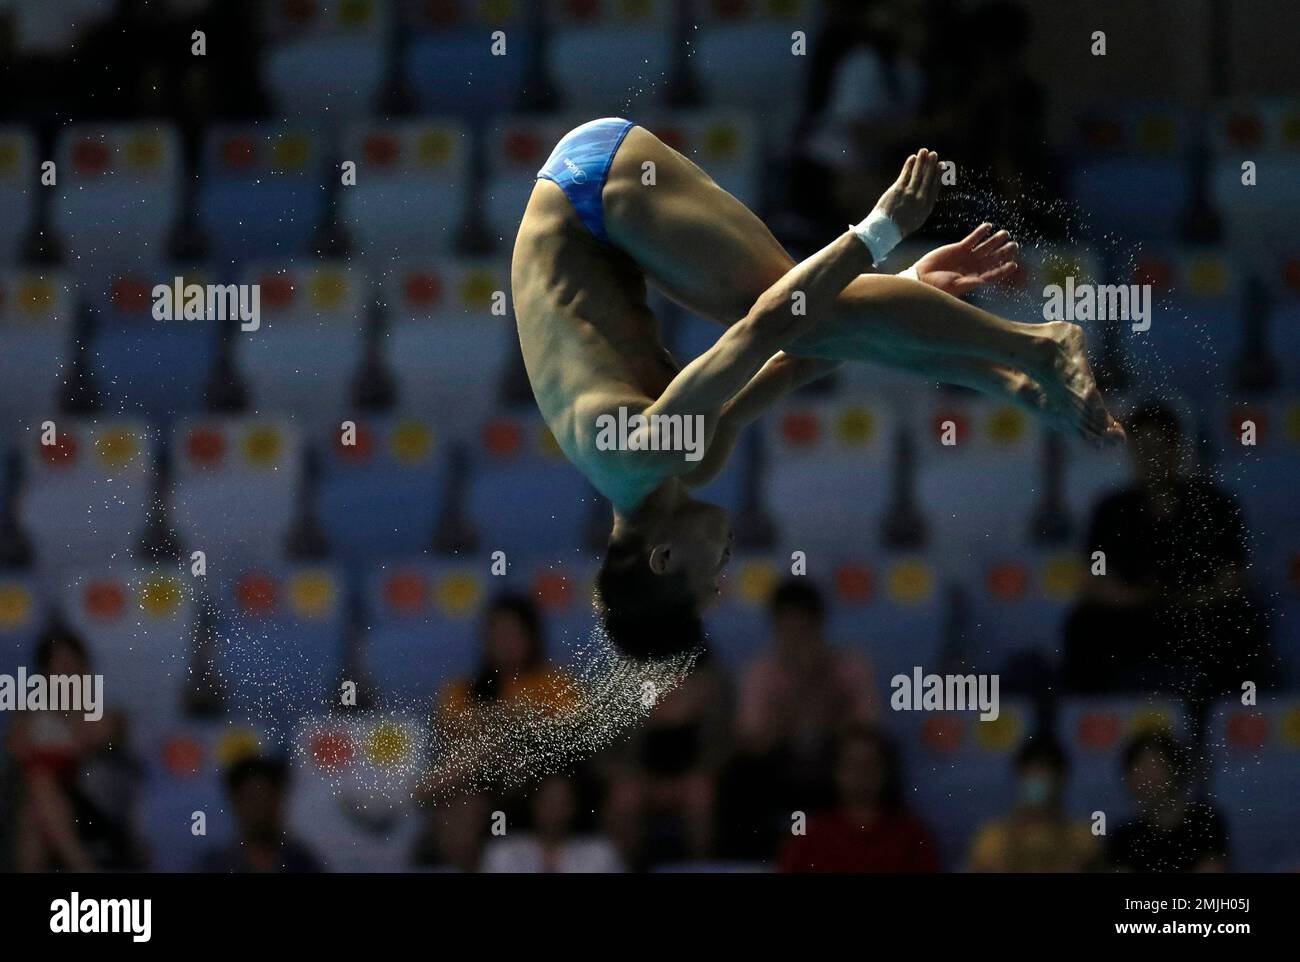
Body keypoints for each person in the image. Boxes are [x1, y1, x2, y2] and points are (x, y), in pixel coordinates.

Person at [511, 118, 1124, 661]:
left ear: (663, 559)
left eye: (708, 589)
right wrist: (913, 286)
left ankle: (1040, 346)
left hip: (587, 190)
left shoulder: (634, 453)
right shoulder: (687, 466)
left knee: (793, 309)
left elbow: (767, 324)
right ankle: (1020, 369)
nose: (725, 579)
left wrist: (882, 229)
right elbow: (796, 360)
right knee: (814, 328)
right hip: (601, 222)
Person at [1061, 400, 1271, 700]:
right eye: (1141, 448)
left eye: (1158, 447)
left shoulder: (1215, 505)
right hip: (1133, 617)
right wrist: (1138, 598)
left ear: (1176, 450)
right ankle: (1097, 717)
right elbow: (1093, 581)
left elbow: (1233, 579)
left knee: (1238, 622)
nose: (1150, 457)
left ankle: (1223, 717)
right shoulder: (1111, 510)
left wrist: (1190, 599)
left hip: (1198, 614)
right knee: (1085, 626)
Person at [6, 626, 141, 872]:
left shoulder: (104, 716)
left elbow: (99, 744)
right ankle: (82, 865)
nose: (66, 676)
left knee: (39, 791)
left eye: (71, 667)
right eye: (58, 668)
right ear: (45, 675)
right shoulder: (28, 719)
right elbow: (16, 754)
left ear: (85, 669)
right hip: (44, 806)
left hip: (91, 805)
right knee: (34, 811)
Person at [778, 724, 939, 873]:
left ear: (886, 771)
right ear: (835, 771)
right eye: (851, 765)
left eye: (870, 764)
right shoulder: (811, 834)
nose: (861, 774)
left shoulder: (910, 834)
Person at [967, 736, 1100, 872]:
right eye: (1030, 772)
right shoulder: (992, 839)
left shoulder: (1082, 839)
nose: (1036, 779)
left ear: (1062, 778)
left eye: (1044, 771)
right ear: (1018, 775)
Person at [1107, 733, 1229, 873]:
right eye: (1137, 768)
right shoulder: (1124, 836)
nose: (1145, 777)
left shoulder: (1206, 822)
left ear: (1175, 771)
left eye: (1153, 766)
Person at [196, 755, 323, 873]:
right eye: (252, 798)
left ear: (279, 801)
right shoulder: (216, 865)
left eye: (267, 798)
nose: (260, 808)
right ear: (235, 802)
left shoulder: (303, 863)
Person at [481, 775, 624, 873]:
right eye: (548, 800)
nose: (555, 809)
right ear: (533, 802)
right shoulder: (503, 852)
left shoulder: (599, 854)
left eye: (562, 801)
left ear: (574, 806)